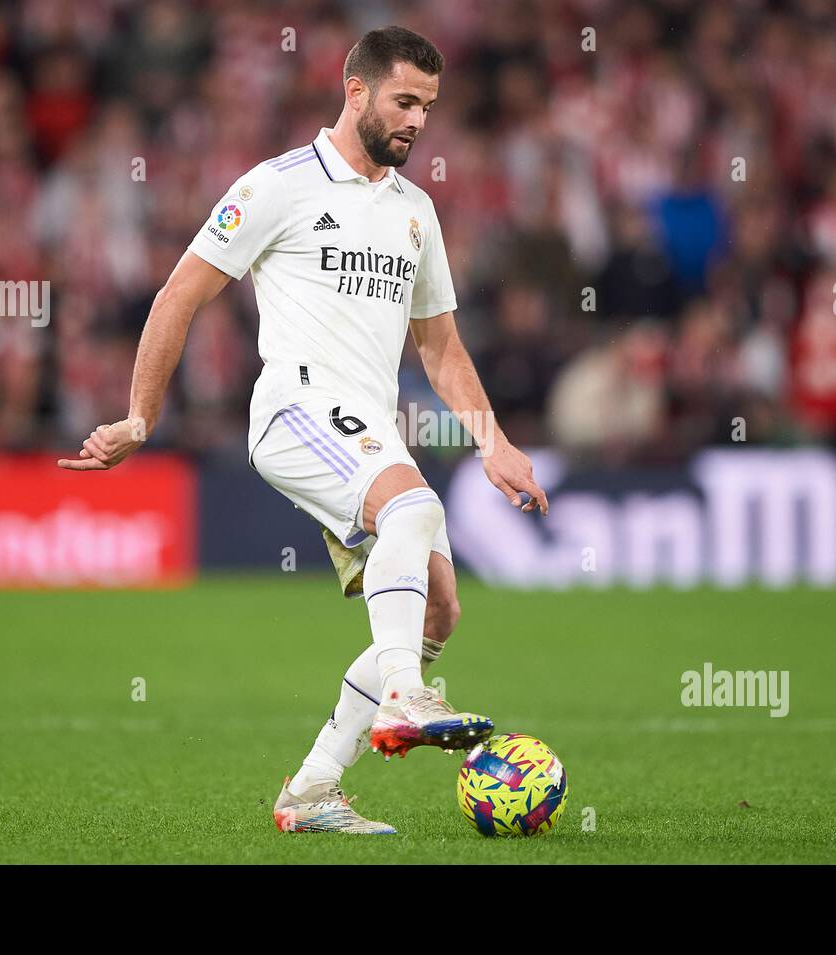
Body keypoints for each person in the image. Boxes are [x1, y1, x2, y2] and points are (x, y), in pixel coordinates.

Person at [57, 26, 547, 834]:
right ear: (354, 91)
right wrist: (143, 414)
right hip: (294, 406)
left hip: (366, 424)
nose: (418, 120)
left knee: (438, 612)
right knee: (415, 507)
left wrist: (492, 441)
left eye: (428, 106)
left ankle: (313, 787)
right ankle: (405, 694)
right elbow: (180, 293)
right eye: (404, 101)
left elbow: (442, 346)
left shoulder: (416, 214)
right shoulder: (278, 186)